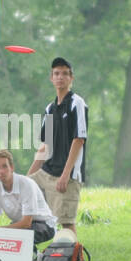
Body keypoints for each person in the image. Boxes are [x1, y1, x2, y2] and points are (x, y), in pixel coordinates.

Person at [29, 56, 88, 235]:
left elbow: (79, 140)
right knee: (24, 205)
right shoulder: (50, 108)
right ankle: (31, 254)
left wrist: (64, 175)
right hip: (46, 172)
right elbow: (45, 146)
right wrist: (28, 178)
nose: (60, 77)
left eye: (64, 73)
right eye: (56, 73)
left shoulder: (77, 103)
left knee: (66, 224)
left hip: (67, 176)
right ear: (51, 78)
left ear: (71, 78)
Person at [0, 149, 57, 246]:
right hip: (21, 225)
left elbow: (27, 222)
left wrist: (0, 230)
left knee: (20, 236)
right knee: (3, 240)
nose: (1, 171)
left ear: (12, 167)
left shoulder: (26, 184)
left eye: (5, 166)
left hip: (44, 224)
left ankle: (34, 259)